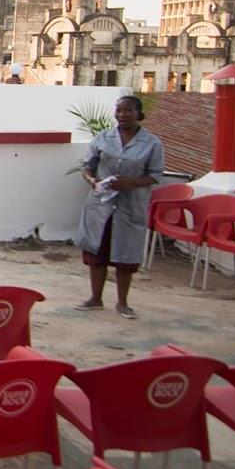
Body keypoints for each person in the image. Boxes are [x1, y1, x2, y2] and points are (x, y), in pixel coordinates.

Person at [73, 95, 164, 319]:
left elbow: (154, 175)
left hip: (130, 205)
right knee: (97, 251)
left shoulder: (152, 143)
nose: (122, 115)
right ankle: (95, 298)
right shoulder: (103, 138)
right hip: (101, 204)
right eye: (119, 111)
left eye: (128, 111)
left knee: (125, 255)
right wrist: (93, 181)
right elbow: (88, 167)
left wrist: (130, 183)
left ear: (138, 113)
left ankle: (123, 303)